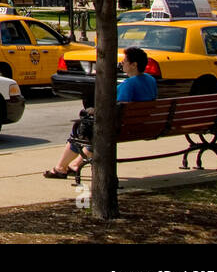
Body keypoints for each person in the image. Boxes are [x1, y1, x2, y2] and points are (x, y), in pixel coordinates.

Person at [45, 46, 156, 178]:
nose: (122, 63)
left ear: (134, 65)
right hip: (142, 125)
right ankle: (75, 165)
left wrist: (95, 111)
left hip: (122, 128)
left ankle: (60, 168)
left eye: (125, 61)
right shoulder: (150, 80)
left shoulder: (130, 84)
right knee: (93, 130)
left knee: (81, 129)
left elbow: (118, 108)